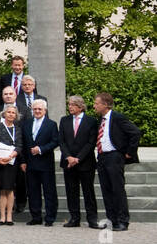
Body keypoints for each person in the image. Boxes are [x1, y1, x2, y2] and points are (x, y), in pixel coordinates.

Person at [93, 92, 141, 231]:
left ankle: (122, 221)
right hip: (102, 157)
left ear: (105, 104)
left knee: (117, 189)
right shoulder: (100, 120)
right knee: (106, 189)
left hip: (114, 156)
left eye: (97, 103)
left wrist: (128, 152)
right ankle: (111, 220)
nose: (94, 106)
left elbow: (135, 132)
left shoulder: (118, 117)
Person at [58, 95, 102, 228]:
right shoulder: (64, 120)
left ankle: (92, 219)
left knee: (88, 191)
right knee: (71, 191)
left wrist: (78, 158)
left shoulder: (91, 121)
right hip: (68, 162)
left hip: (85, 162)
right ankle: (74, 218)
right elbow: (62, 141)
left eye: (72, 104)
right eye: (69, 104)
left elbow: (91, 142)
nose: (69, 107)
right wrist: (69, 157)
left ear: (80, 106)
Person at [20, 98, 60, 226]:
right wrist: (23, 161)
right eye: (35, 109)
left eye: (40, 109)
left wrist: (41, 149)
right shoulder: (26, 123)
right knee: (33, 191)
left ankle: (50, 217)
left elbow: (55, 141)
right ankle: (36, 216)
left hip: (45, 162)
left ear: (45, 110)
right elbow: (24, 144)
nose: (37, 111)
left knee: (49, 191)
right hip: (30, 163)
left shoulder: (51, 124)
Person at [0, 106, 22, 226]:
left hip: (12, 162)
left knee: (10, 189)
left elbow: (19, 145)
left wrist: (9, 157)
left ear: (16, 116)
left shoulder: (18, 129)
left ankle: (9, 216)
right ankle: (2, 216)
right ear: (4, 114)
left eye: (13, 113)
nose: (10, 114)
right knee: (2, 189)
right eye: (8, 112)